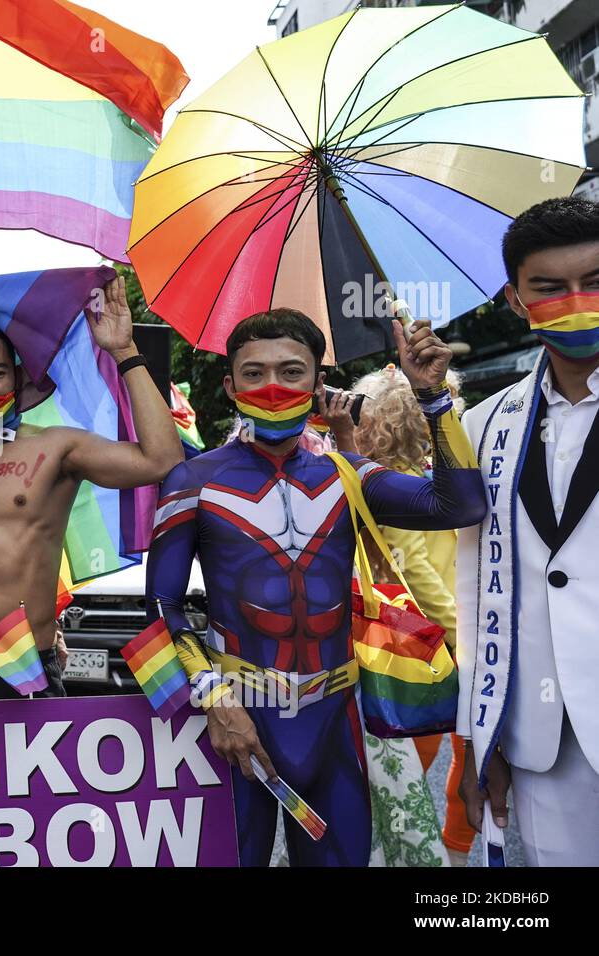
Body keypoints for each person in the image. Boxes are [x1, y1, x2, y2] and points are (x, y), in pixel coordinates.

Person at [147, 307, 485, 867]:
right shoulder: (194, 479)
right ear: (230, 385)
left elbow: (460, 504)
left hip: (335, 715)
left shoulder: (347, 474)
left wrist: (433, 399)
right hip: (239, 719)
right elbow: (163, 606)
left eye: (291, 371)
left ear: (317, 382)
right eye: (254, 373)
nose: (273, 387)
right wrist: (213, 700)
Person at [0, 275, 181, 700]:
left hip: (24, 658)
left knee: (33, 770)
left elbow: (162, 460)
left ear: (18, 378)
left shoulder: (58, 446)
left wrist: (125, 351)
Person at [455, 196, 599, 866]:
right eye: (551, 289)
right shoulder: (485, 427)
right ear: (517, 301)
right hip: (544, 738)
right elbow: (474, 587)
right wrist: (478, 740)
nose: (576, 300)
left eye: (594, 283)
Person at [353, 367, 474, 866]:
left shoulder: (403, 483)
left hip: (417, 643)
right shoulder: (402, 490)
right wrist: (461, 636)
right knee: (434, 752)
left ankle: (439, 847)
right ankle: (443, 851)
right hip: (431, 644)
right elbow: (416, 575)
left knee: (420, 753)